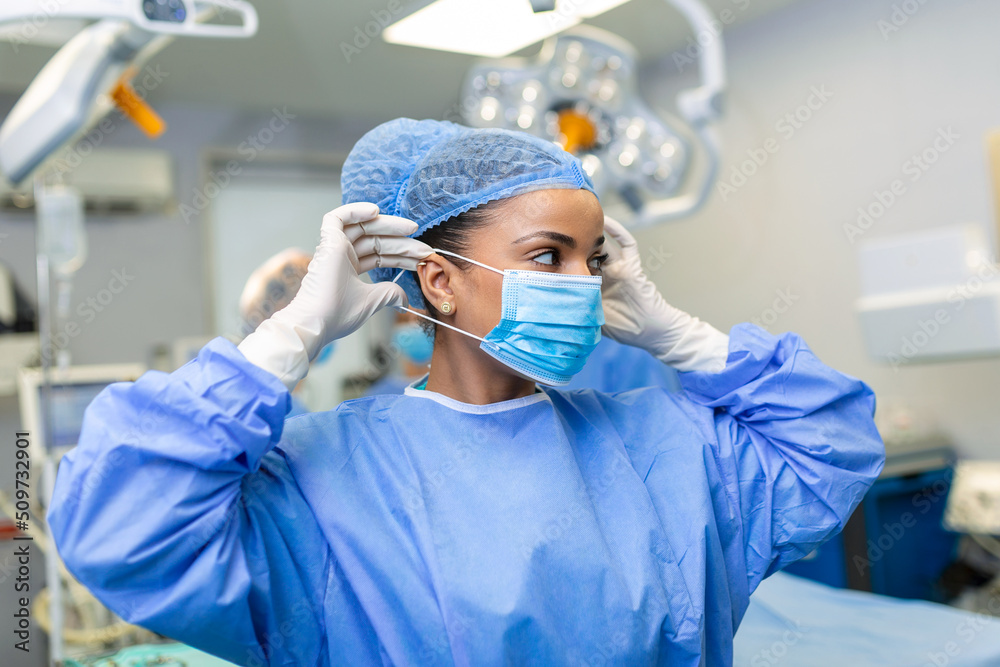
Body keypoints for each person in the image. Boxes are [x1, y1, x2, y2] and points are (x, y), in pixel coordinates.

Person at [48, 118, 885, 666]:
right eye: (547, 255)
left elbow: (834, 447)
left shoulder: (664, 442)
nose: (582, 285)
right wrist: (288, 336)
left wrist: (679, 334)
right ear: (440, 282)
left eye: (593, 260)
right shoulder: (326, 477)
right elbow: (123, 527)